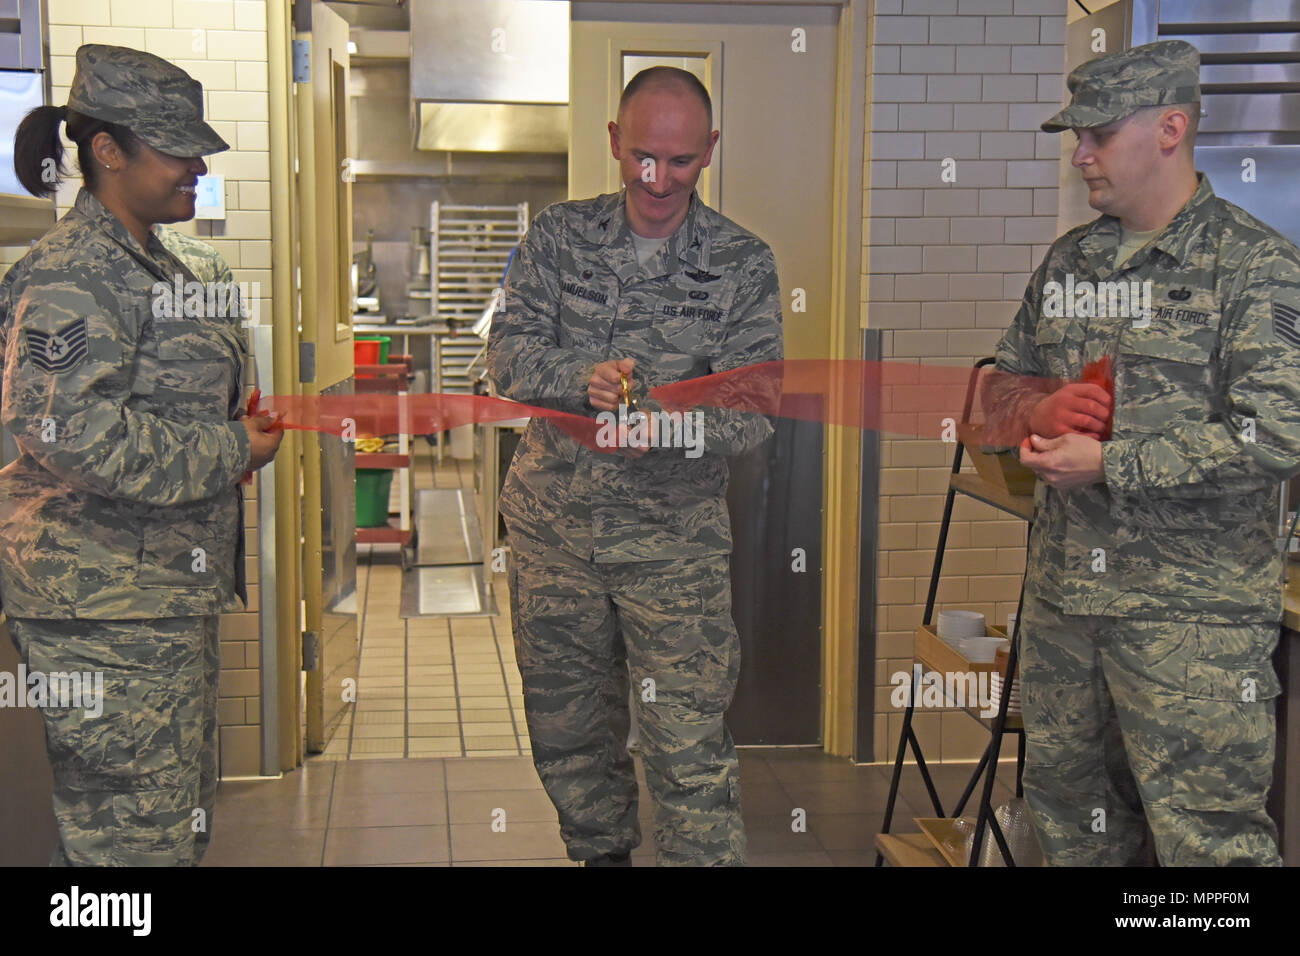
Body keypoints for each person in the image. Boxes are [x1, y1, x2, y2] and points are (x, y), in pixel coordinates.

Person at [993, 39, 1300, 865]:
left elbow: (1276, 434)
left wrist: (1112, 462)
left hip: (1191, 630)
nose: (1080, 153)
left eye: (1097, 133)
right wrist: (1037, 404)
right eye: (1077, 135)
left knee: (1209, 847)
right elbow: (997, 391)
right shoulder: (1071, 261)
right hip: (1065, 615)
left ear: (1171, 128)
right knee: (1069, 829)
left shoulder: (1256, 268)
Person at [487, 66, 783, 866]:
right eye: (643, 156)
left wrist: (668, 421)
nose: (658, 179)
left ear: (710, 151)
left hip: (672, 548)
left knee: (686, 749)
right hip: (556, 541)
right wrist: (574, 381)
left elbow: (753, 410)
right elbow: (505, 355)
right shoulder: (555, 237)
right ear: (615, 141)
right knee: (571, 738)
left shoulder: (741, 264)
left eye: (680, 162)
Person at [0, 44, 283, 866]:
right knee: (127, 838)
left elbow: (184, 397)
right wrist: (230, 446)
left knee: (170, 819)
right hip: (98, 603)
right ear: (107, 150)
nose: (197, 163)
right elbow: (66, 436)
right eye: (174, 145)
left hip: (163, 594)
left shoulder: (182, 263)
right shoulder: (68, 277)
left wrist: (239, 418)